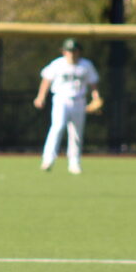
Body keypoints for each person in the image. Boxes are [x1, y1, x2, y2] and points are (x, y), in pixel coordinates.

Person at [33, 38, 101, 174]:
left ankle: (74, 162)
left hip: (79, 100)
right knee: (57, 127)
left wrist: (96, 98)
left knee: (76, 132)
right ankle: (48, 159)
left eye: (74, 51)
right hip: (61, 99)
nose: (72, 54)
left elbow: (93, 83)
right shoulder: (57, 64)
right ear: (63, 52)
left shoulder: (86, 65)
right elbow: (46, 80)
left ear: (79, 52)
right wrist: (41, 97)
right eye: (69, 51)